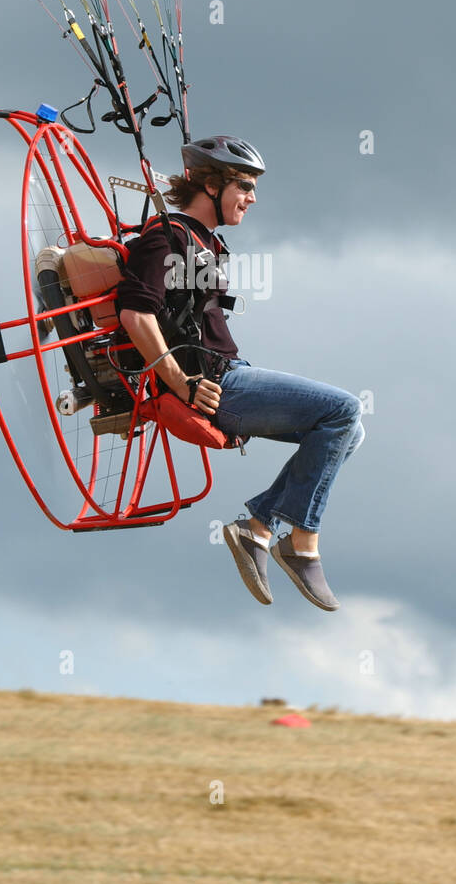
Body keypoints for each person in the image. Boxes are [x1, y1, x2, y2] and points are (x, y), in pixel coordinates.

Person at [115, 135, 364, 611]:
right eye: (244, 186)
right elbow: (136, 315)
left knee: (351, 431)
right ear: (210, 184)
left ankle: (260, 530)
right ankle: (300, 542)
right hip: (213, 384)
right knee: (344, 409)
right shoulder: (164, 235)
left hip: (227, 370)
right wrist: (179, 381)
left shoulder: (204, 241)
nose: (252, 198)